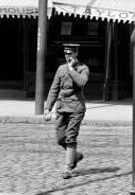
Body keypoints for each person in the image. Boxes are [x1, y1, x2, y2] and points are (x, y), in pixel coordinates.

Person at [44, 42, 90, 179]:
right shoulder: (60, 69)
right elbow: (54, 88)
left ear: (76, 54)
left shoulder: (83, 68)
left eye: (70, 53)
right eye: (65, 53)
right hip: (61, 107)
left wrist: (71, 69)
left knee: (70, 137)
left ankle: (68, 168)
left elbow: (82, 82)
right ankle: (75, 156)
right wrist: (48, 108)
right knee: (60, 138)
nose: (67, 56)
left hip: (76, 108)